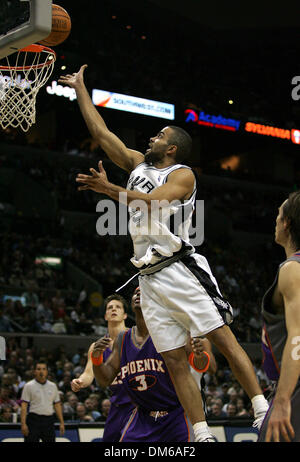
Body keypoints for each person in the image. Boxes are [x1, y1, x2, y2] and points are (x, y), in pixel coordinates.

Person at [59, 65, 269, 440]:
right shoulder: (137, 164)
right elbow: (101, 133)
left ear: (171, 148)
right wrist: (80, 89)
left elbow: (155, 202)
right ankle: (202, 432)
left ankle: (260, 408)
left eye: (159, 135)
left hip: (179, 267)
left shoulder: (183, 175)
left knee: (223, 338)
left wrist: (108, 190)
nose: (151, 138)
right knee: (173, 359)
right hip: (149, 277)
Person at [91, 287, 214, 442]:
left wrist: (200, 356)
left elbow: (204, 367)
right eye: (135, 292)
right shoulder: (123, 338)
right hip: (142, 417)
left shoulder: (171, 330)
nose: (138, 294)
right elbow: (104, 380)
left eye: (143, 291)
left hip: (175, 416)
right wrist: (96, 358)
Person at [258, 191, 300, 442]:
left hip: (293, 390)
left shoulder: (292, 269)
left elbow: (298, 337)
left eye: (277, 214)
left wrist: (283, 400)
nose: (275, 220)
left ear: (286, 223)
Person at [71, 294, 134, 441]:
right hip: (117, 403)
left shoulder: (135, 337)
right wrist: (79, 381)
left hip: (137, 402)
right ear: (105, 316)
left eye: (118, 307)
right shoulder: (97, 346)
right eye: (110, 307)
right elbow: (88, 373)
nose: (113, 309)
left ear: (125, 315)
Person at [20, 361, 65, 442]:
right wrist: (23, 424)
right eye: (38, 369)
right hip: (33, 420)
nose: (41, 371)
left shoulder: (53, 386)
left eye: (44, 369)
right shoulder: (28, 386)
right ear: (34, 371)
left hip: (49, 421)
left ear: (47, 371)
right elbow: (24, 406)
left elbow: (57, 405)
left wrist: (62, 422)